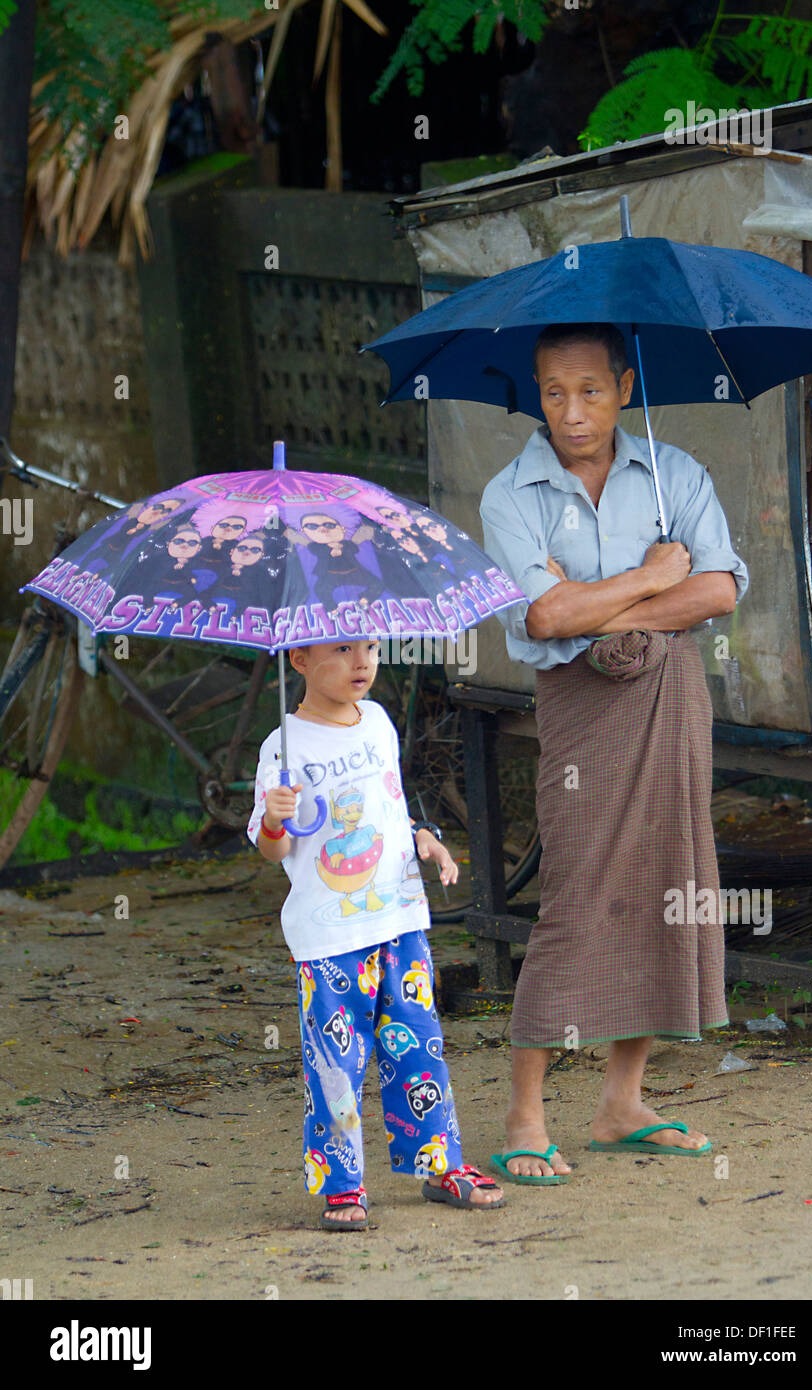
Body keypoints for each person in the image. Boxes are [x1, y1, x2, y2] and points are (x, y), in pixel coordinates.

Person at [479, 322, 749, 1184]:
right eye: (554, 392)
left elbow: (722, 588)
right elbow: (543, 620)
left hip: (672, 701)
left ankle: (621, 1102)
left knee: (665, 882)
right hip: (579, 711)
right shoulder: (509, 494)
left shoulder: (675, 476)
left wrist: (597, 601)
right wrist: (647, 578)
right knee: (579, 891)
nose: (573, 411)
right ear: (536, 394)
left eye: (591, 390)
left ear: (623, 388)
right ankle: (525, 1115)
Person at [246, 638, 504, 1228]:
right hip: (330, 937)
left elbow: (390, 808)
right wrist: (274, 817)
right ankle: (342, 1185)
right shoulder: (284, 747)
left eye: (370, 648)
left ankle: (441, 1166)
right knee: (335, 1062)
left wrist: (425, 836)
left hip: (401, 923)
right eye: (341, 650)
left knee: (420, 1050)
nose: (362, 663)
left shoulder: (380, 722)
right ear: (300, 660)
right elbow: (271, 850)